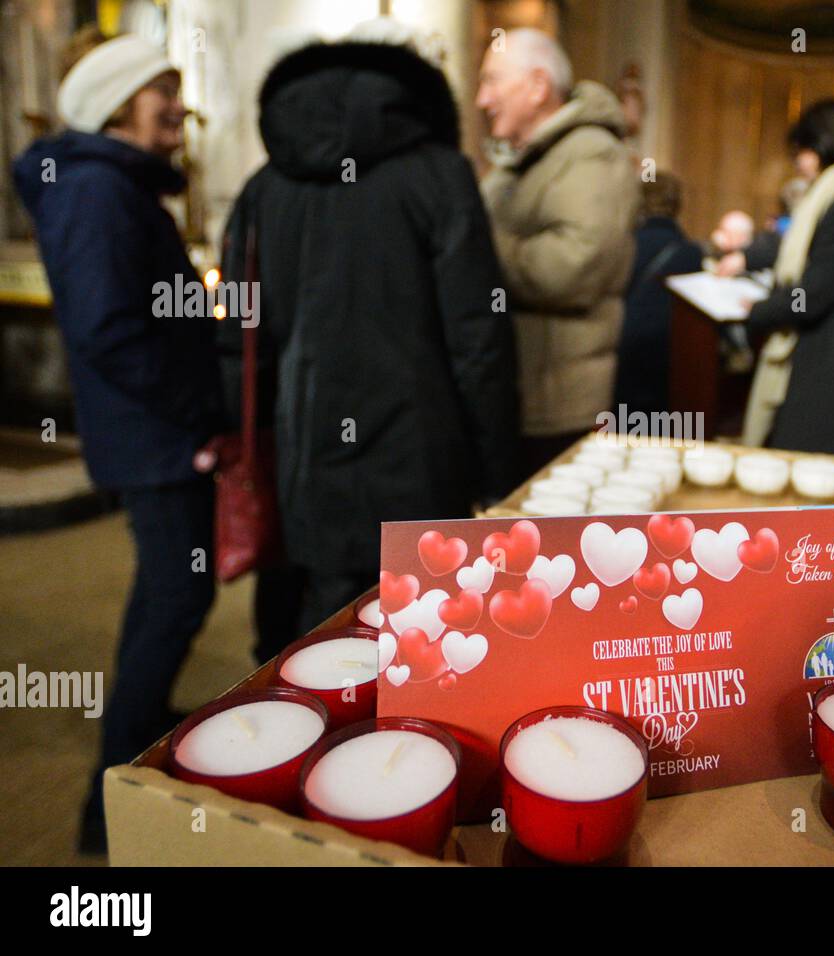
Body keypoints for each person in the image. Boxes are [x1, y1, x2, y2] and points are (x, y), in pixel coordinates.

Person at [215, 25, 520, 634]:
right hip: (422, 463)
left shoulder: (263, 188)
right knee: (427, 637)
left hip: (309, 457)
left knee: (325, 641)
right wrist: (499, 476)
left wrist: (246, 441)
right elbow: (477, 337)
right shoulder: (440, 175)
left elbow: (240, 338)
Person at [12, 29, 220, 853]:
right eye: (160, 88)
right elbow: (109, 328)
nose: (179, 103)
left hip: (155, 433)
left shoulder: (111, 185)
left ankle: (135, 740)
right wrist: (193, 413)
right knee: (174, 597)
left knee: (169, 595)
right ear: (116, 105)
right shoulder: (98, 191)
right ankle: (109, 803)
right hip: (158, 439)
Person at [476, 29, 639, 470]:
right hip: (520, 391)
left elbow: (573, 268)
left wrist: (478, 242)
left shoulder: (591, 153)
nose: (481, 99)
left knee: (546, 537)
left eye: (492, 81)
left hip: (558, 406)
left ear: (537, 86)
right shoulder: (530, 156)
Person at [740, 99, 834, 468]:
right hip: (832, 355)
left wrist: (757, 311)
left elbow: (812, 295)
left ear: (825, 144)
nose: (798, 163)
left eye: (802, 152)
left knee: (814, 478)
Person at [615, 172, 704, 416]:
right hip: (671, 353)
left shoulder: (625, 245)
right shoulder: (690, 252)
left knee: (622, 426)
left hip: (625, 345)